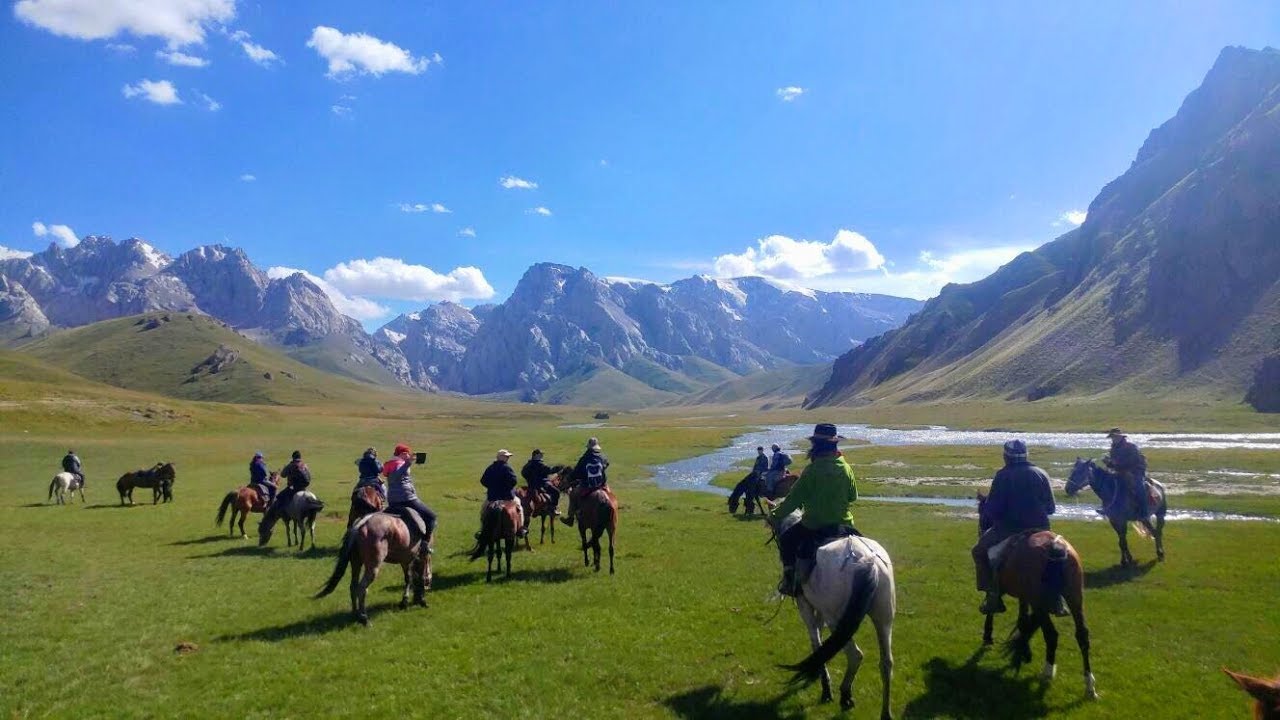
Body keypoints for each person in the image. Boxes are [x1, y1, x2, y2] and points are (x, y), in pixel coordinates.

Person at [971, 439, 1062, 615]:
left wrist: (989, 511)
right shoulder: (1041, 473)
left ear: (1006, 456)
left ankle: (992, 596)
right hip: (1042, 528)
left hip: (1010, 528)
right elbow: (1051, 508)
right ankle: (1058, 598)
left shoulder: (1002, 475)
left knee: (978, 551)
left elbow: (994, 511)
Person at [769, 424, 859, 597]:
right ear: (835, 445)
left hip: (814, 525)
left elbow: (792, 502)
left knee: (787, 539)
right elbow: (852, 496)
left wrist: (774, 515)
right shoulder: (846, 468)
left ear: (816, 446)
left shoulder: (811, 471)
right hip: (845, 525)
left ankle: (789, 581)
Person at [384, 444, 437, 550]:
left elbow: (388, 474)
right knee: (431, 516)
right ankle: (425, 544)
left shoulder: (389, 464)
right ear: (403, 454)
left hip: (392, 500)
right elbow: (395, 476)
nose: (409, 455)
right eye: (407, 453)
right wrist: (408, 463)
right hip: (406, 498)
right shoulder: (400, 464)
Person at [562, 437, 609, 527]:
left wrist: (570, 478)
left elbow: (576, 472)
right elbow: (606, 464)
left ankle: (570, 518)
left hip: (587, 485)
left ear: (588, 447)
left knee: (572, 494)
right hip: (600, 485)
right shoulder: (602, 457)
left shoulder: (584, 458)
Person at [1103, 428, 1148, 519]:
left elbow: (1134, 461)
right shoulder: (1113, 449)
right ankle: (1108, 507)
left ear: (1120, 437)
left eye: (1115, 437)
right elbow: (1114, 464)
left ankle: (1144, 512)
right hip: (1120, 472)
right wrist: (1108, 463)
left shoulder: (1131, 447)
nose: (1113, 439)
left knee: (1139, 487)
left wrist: (1117, 464)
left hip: (1135, 471)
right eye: (1112, 437)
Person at [480, 449, 527, 537]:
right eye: (506, 456)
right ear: (500, 457)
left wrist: (492, 487)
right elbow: (514, 481)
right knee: (519, 507)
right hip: (507, 498)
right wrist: (507, 488)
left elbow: (483, 481)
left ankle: (482, 531)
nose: (508, 458)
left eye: (508, 456)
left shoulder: (490, 468)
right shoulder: (507, 468)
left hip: (492, 498)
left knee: (484, 511)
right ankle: (521, 528)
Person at [269, 450, 311, 517]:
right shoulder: (304, 465)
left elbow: (283, 475)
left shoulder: (291, 465)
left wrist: (285, 468)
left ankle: (283, 515)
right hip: (304, 488)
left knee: (280, 497)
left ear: (293, 457)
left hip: (294, 488)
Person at [521, 449, 560, 515]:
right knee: (556, 492)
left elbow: (523, 473)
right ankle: (553, 508)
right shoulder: (540, 464)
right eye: (541, 454)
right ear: (536, 455)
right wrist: (557, 469)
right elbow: (549, 471)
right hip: (542, 484)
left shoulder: (528, 464)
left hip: (530, 485)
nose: (542, 455)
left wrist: (529, 479)